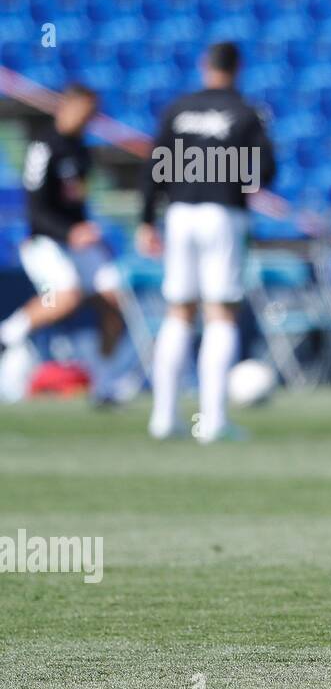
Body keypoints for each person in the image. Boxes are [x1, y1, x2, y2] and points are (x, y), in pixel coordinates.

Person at [136, 42, 276, 443]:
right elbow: (265, 171)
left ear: (204, 67)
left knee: (178, 312)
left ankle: (163, 417)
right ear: (237, 68)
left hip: (178, 213)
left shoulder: (178, 109)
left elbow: (153, 167)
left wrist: (147, 220)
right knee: (220, 313)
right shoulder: (246, 111)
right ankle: (213, 421)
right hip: (222, 213)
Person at [0, 83, 126, 402]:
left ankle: (105, 382)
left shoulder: (82, 150)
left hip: (76, 241)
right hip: (45, 240)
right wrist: (70, 233)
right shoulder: (44, 147)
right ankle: (8, 333)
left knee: (115, 298)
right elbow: (36, 208)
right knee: (65, 296)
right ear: (66, 106)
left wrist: (85, 231)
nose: (88, 118)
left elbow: (78, 204)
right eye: (84, 110)